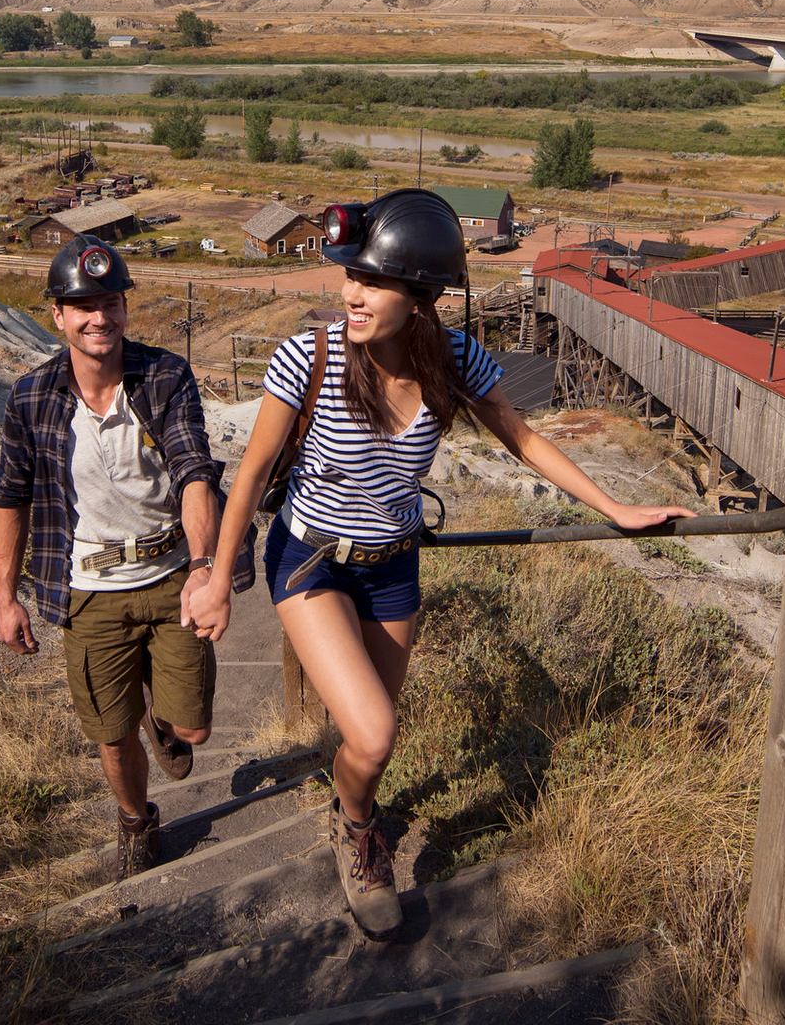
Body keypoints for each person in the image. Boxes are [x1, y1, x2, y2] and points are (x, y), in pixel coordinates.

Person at [185, 189, 693, 935]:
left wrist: (613, 509)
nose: (352, 295)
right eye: (349, 278)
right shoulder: (311, 356)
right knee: (376, 731)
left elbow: (522, 438)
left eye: (372, 282)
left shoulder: (456, 360)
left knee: (375, 738)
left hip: (394, 565)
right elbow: (256, 471)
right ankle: (359, 833)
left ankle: (354, 807)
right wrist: (223, 580)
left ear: (420, 296)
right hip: (311, 560)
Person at [0, 234, 244, 878]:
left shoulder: (164, 376)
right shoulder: (31, 397)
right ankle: (137, 822)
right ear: (58, 315)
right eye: (83, 305)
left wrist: (204, 568)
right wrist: (6, 598)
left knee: (194, 734)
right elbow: (10, 498)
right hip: (88, 587)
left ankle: (166, 715)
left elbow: (194, 472)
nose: (99, 317)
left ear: (125, 309)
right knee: (111, 733)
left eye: (110, 302)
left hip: (168, 575)